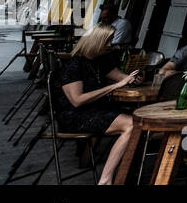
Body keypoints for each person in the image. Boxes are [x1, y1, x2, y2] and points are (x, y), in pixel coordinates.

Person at [53, 23, 143, 185]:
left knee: (139, 117)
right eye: (107, 41)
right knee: (131, 124)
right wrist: (115, 86)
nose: (110, 44)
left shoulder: (99, 60)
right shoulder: (73, 65)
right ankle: (106, 180)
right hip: (74, 116)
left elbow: (119, 76)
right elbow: (77, 101)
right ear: (95, 41)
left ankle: (129, 171)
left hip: (95, 110)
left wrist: (132, 79)